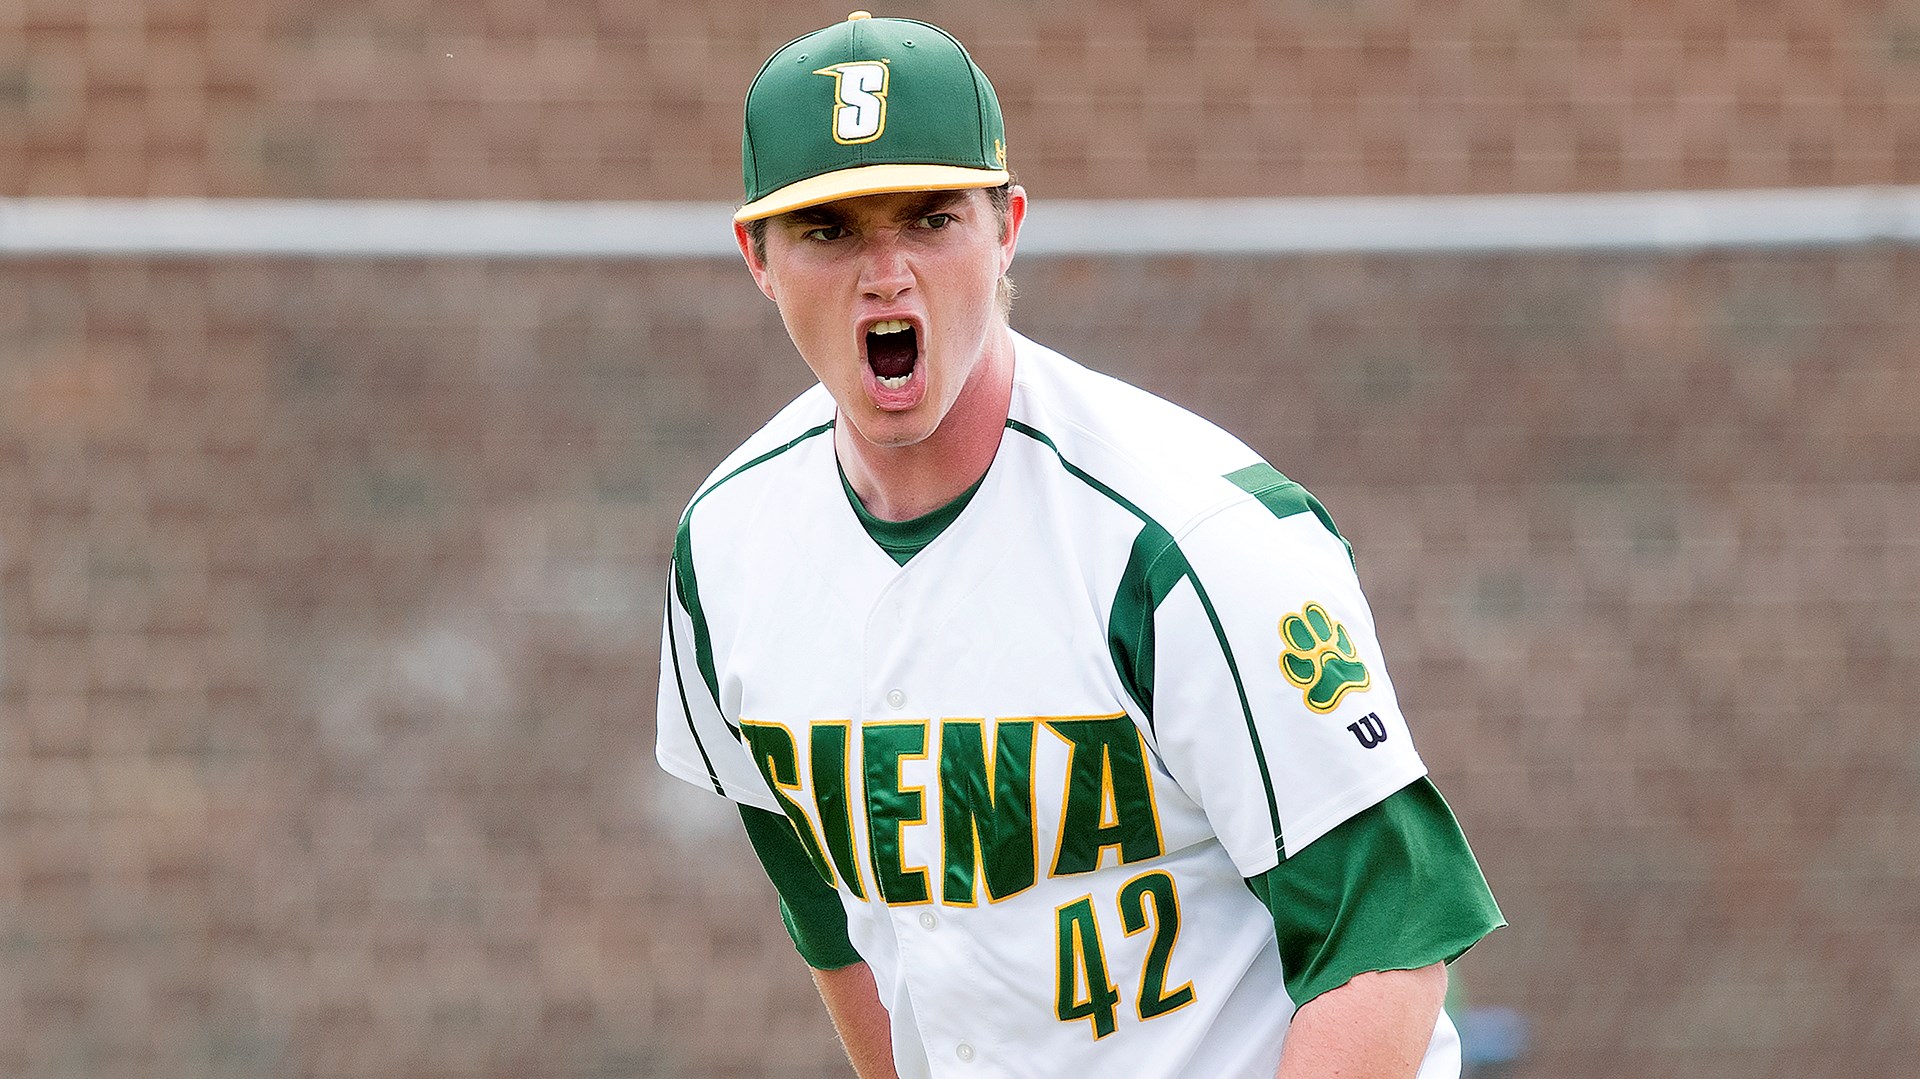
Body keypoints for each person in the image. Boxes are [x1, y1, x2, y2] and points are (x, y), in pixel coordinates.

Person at [656, 12, 1504, 1078]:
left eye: (929, 217)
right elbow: (829, 916)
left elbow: (1388, 941)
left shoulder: (1188, 537)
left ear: (1007, 226)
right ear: (756, 256)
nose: (887, 274)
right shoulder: (726, 550)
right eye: (829, 229)